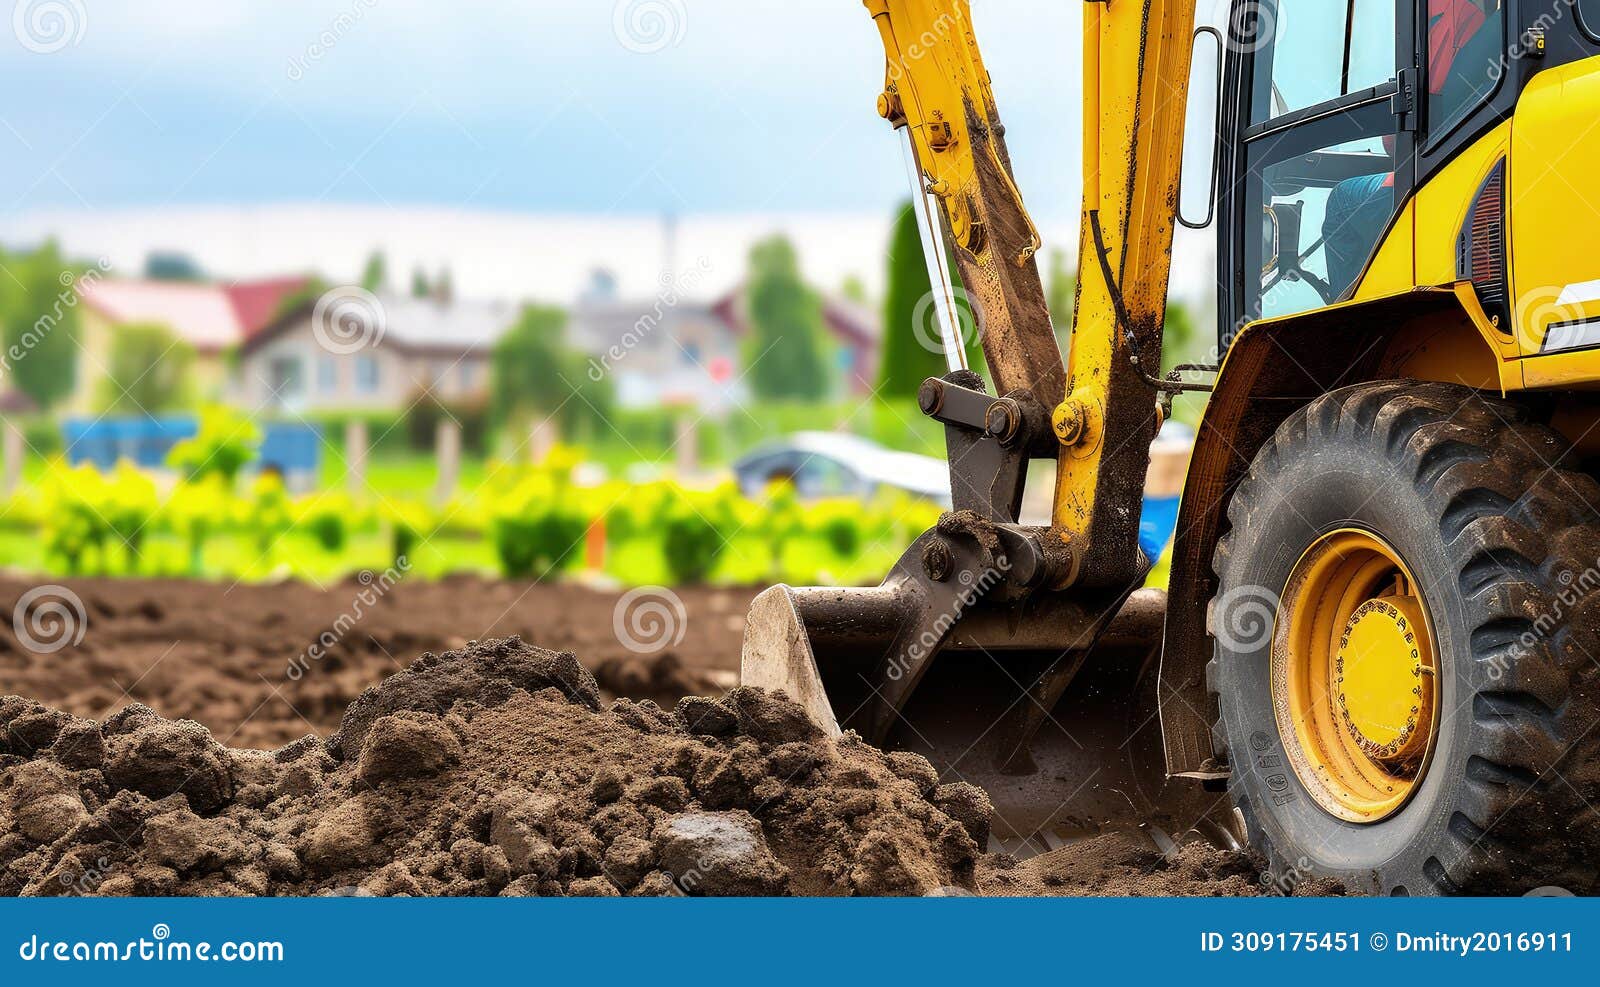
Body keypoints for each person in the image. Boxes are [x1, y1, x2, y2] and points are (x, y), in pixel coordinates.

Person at [1320, 0, 1498, 298]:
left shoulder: (1436, 15)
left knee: (1342, 201)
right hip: (1460, 163)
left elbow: (1415, 116)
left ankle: (1351, 313)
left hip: (1434, 174)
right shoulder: (1476, 22)